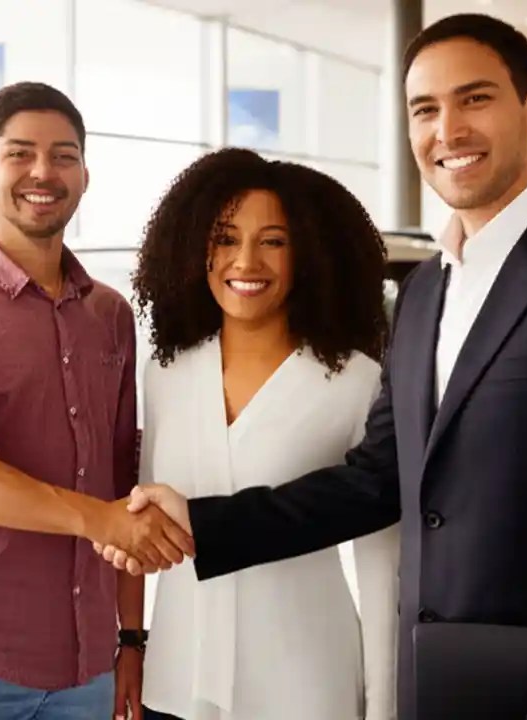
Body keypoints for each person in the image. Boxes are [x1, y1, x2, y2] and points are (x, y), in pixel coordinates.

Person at [101, 13, 527, 720]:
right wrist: (200, 522)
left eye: (475, 99)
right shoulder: (423, 296)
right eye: (425, 110)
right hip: (439, 685)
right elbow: (376, 481)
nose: (449, 130)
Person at [0, 81, 194, 720]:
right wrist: (97, 519)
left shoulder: (109, 314)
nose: (43, 172)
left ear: (84, 176)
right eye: (19, 153)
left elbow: (122, 482)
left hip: (85, 662)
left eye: (64, 155)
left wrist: (130, 640)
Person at [127, 148, 401, 720]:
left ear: (309, 255)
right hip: (177, 685)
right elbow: (146, 534)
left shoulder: (355, 381)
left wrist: (383, 709)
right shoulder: (166, 373)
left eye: (273, 241)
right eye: (226, 238)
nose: (246, 260)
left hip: (304, 687)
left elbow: (382, 570)